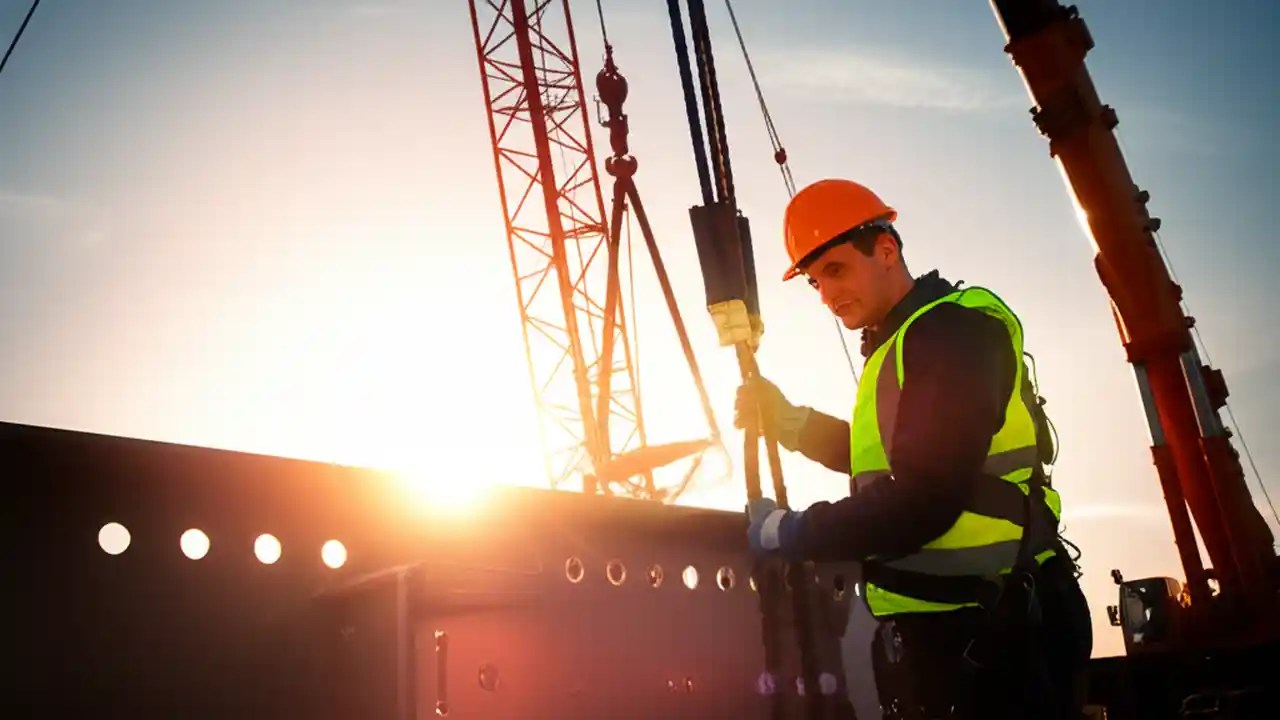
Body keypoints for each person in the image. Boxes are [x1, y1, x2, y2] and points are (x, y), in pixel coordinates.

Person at [741, 178, 1094, 719]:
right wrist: (788, 421)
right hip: (957, 631)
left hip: (996, 636)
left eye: (835, 270)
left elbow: (923, 499)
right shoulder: (905, 341)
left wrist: (788, 531)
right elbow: (888, 460)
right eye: (814, 283)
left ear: (885, 249)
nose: (827, 295)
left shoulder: (951, 332)